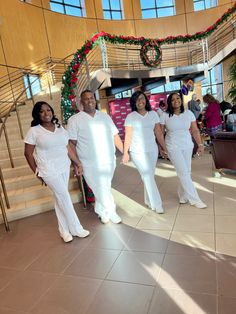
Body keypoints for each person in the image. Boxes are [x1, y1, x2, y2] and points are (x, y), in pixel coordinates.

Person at [24, 101, 90, 243]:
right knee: (64, 196)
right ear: (37, 114)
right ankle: (76, 228)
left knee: (60, 197)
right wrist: (37, 172)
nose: (46, 113)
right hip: (48, 170)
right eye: (42, 111)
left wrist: (77, 163)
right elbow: (28, 154)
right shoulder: (34, 131)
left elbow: (68, 147)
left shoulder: (60, 128)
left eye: (48, 110)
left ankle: (64, 231)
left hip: (63, 166)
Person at [67, 90, 124, 224]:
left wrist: (125, 152)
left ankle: (101, 210)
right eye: (86, 99)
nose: (89, 101)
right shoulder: (74, 120)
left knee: (104, 186)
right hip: (88, 163)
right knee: (99, 187)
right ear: (81, 102)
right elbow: (71, 144)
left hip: (108, 159)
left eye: (91, 98)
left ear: (95, 99)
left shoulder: (105, 117)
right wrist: (76, 164)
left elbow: (115, 135)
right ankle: (112, 211)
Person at [122, 91, 168, 214]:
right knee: (147, 175)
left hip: (152, 150)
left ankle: (148, 200)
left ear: (146, 100)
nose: (140, 101)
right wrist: (125, 152)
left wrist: (164, 148)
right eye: (137, 100)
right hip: (137, 151)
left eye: (142, 98)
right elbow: (128, 136)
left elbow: (158, 133)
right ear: (133, 103)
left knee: (148, 177)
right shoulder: (130, 117)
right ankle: (157, 204)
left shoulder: (153, 114)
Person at [160, 92, 207, 209]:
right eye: (172, 99)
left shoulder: (188, 113)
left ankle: (182, 195)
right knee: (183, 172)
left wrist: (200, 144)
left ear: (181, 100)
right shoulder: (165, 115)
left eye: (178, 98)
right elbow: (160, 133)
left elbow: (195, 130)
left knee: (187, 171)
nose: (176, 101)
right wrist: (161, 148)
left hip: (187, 145)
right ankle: (195, 199)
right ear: (169, 102)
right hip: (172, 146)